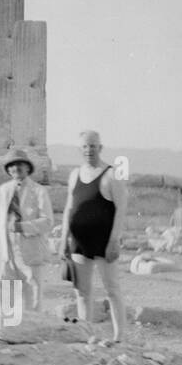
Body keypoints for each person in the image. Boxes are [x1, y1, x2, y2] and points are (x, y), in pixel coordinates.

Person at [58, 130, 129, 344]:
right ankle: (85, 334)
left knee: (112, 289)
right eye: (85, 146)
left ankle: (119, 337)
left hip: (104, 242)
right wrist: (63, 240)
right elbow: (69, 209)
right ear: (80, 150)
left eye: (93, 145)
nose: (89, 150)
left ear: (100, 148)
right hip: (79, 242)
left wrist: (114, 241)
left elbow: (121, 208)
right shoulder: (74, 174)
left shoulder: (111, 174)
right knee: (82, 291)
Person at [0, 148, 55, 312]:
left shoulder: (39, 191)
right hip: (7, 249)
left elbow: (48, 222)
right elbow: (2, 221)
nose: (16, 168)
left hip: (30, 247)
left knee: (32, 292)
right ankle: (4, 329)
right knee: (4, 290)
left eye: (20, 165)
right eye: (12, 166)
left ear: (27, 168)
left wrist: (22, 227)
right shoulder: (4, 190)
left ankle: (31, 330)